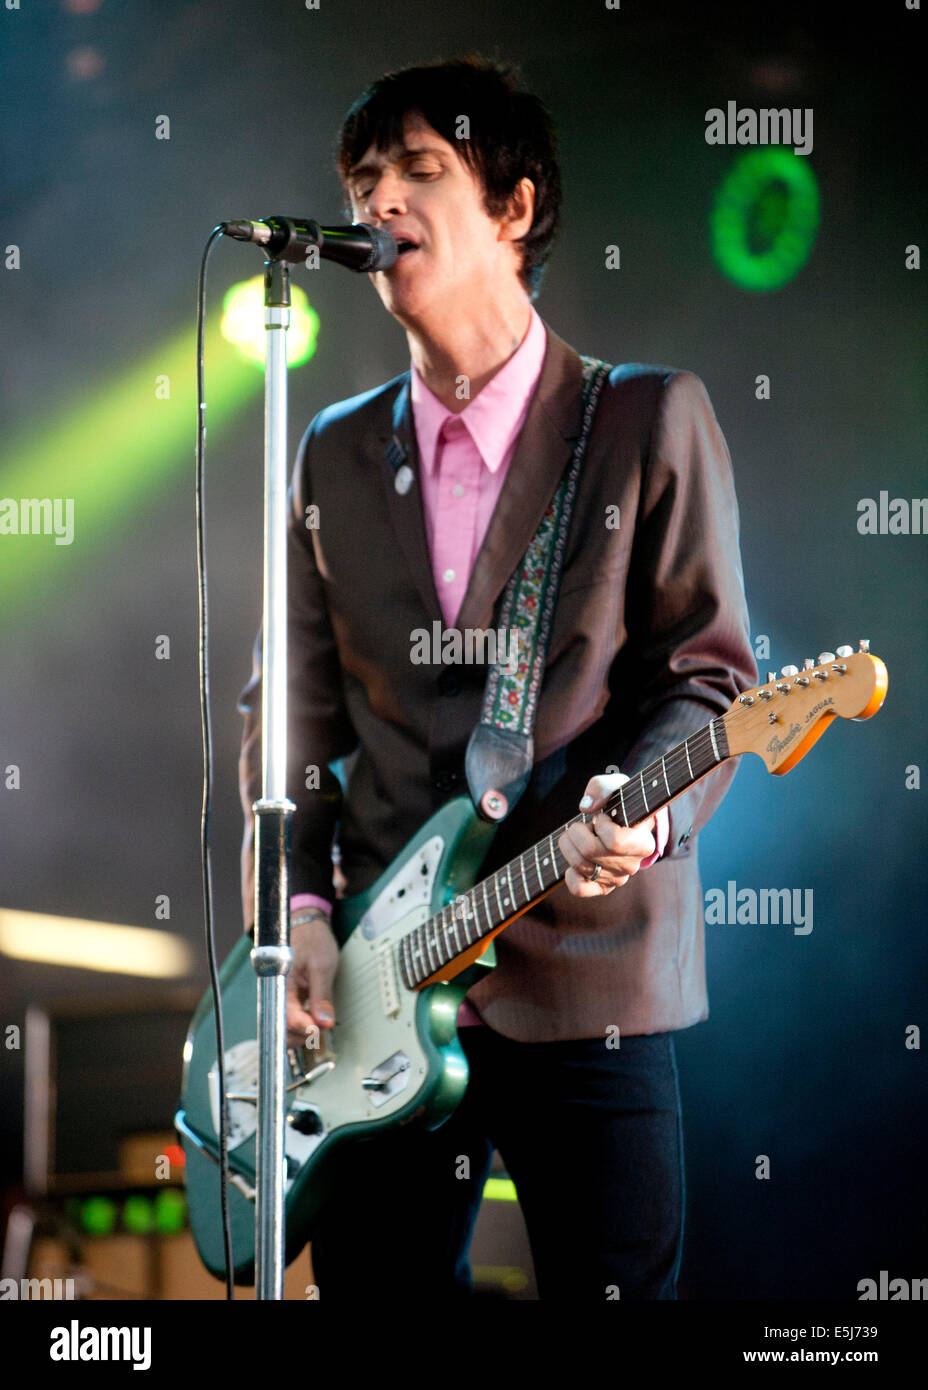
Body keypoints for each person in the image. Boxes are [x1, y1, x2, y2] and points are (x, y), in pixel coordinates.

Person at [238, 55, 757, 1300]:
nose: (381, 204)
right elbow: (291, 722)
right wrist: (300, 916)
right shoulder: (334, 450)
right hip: (377, 998)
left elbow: (713, 679)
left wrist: (644, 805)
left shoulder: (641, 421)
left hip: (589, 981)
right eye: (366, 181)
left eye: (421, 172)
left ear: (514, 209)